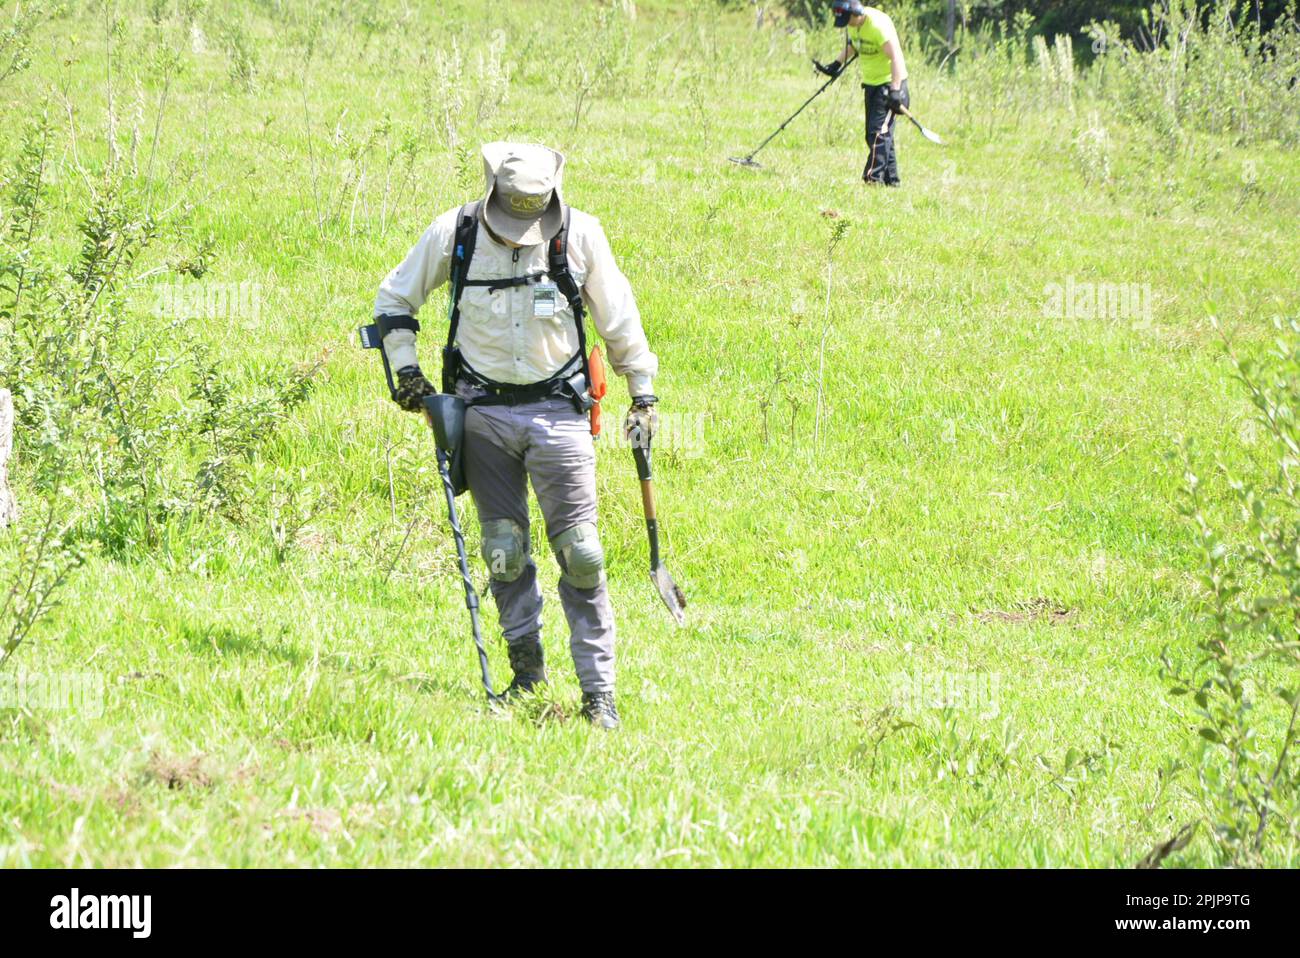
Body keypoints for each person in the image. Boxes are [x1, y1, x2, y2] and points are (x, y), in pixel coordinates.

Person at [372, 142, 659, 729]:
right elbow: (394, 300)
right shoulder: (453, 232)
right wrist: (405, 370)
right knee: (503, 551)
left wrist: (643, 391)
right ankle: (527, 676)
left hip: (559, 413)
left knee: (582, 554)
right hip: (480, 415)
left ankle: (598, 693)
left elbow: (619, 318)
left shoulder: (581, 236)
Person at [814, 1, 911, 185]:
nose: (846, 24)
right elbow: (855, 45)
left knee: (878, 134)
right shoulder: (854, 25)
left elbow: (896, 56)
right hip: (871, 84)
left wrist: (895, 90)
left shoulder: (877, 25)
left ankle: (872, 179)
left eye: (847, 19)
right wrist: (836, 64)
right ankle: (892, 182)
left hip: (889, 84)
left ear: (856, 12)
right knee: (873, 134)